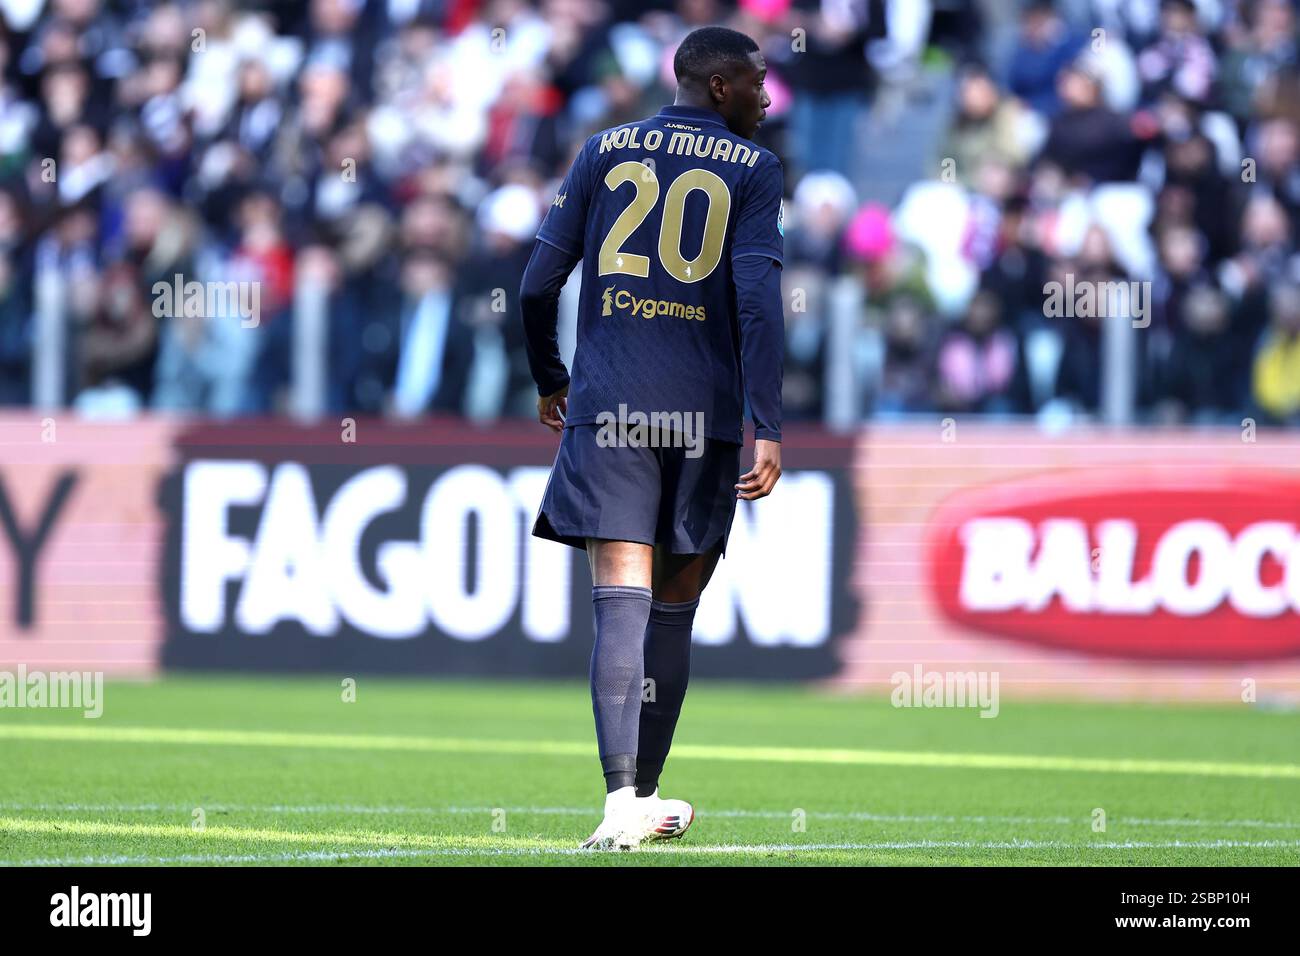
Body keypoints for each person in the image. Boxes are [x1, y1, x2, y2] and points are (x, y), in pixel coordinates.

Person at [518, 25, 785, 850]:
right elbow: (757, 305)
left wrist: (551, 379)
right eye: (756, 81)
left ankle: (622, 799)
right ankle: (643, 796)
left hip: (611, 408)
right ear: (718, 87)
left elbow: (535, 285)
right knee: (673, 611)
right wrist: (768, 424)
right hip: (701, 417)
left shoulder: (602, 149)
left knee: (619, 605)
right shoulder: (757, 169)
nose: (766, 96)